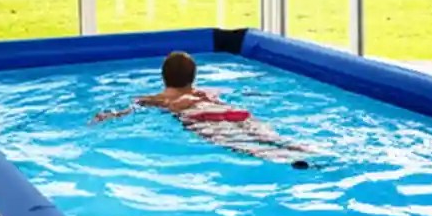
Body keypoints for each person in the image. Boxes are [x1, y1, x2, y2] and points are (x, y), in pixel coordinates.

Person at [93, 51, 316, 168]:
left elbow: (133, 108)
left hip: (199, 116)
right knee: (267, 135)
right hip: (232, 111)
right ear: (193, 77)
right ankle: (307, 149)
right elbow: (232, 91)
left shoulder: (161, 98)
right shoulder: (205, 92)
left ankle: (285, 160)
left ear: (164, 77)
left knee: (241, 144)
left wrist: (110, 115)